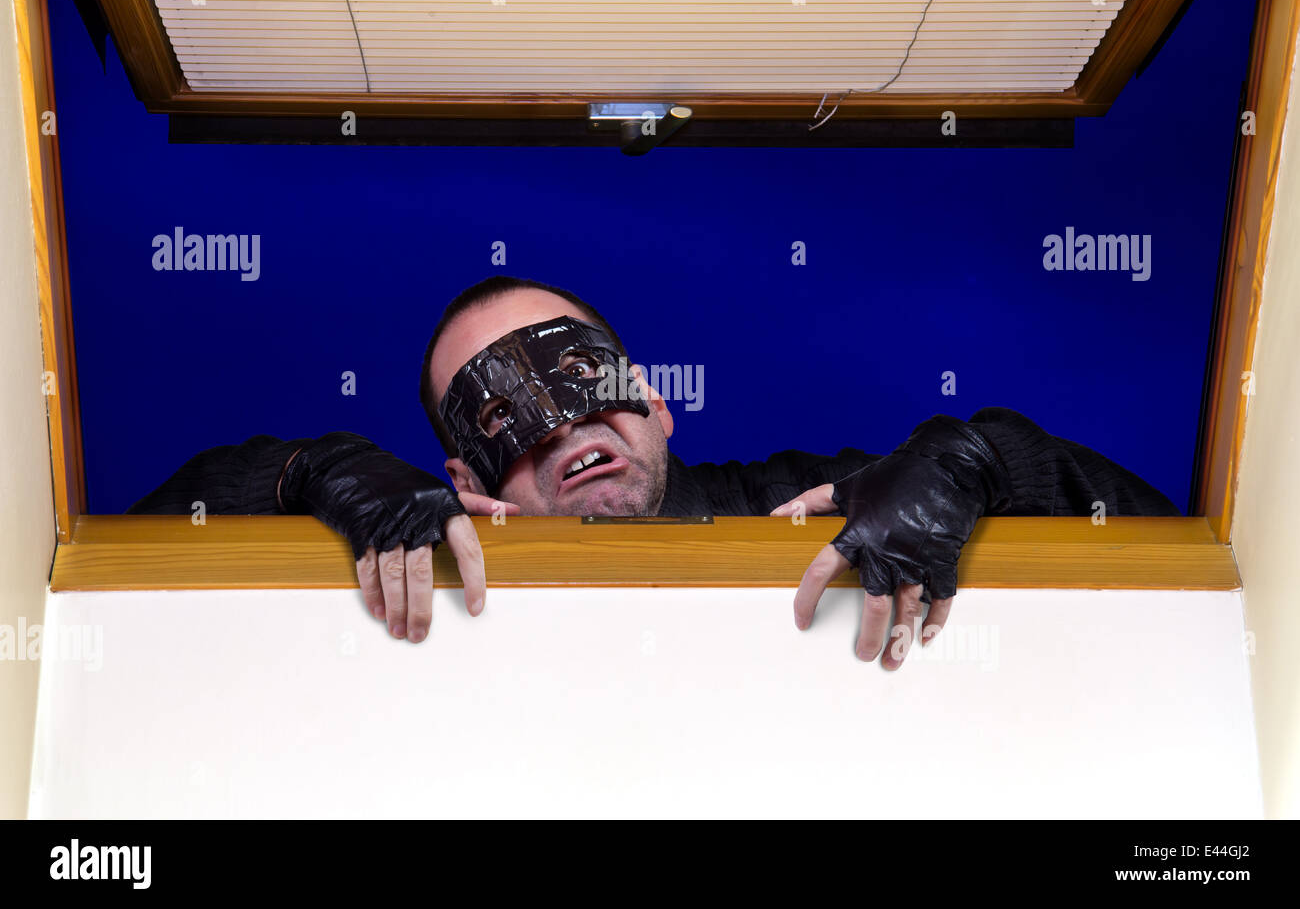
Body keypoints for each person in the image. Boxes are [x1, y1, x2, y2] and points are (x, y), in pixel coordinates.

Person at [129, 275, 1179, 667]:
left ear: (656, 402)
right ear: (462, 472)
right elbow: (123, 547)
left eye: (583, 377)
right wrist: (315, 473)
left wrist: (974, 464)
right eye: (501, 415)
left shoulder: (795, 505)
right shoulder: (425, 567)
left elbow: (1154, 532)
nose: (561, 425)